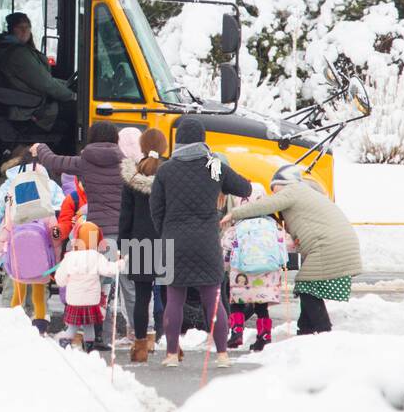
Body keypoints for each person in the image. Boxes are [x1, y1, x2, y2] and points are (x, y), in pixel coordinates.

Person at [149, 117, 252, 367]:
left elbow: (156, 209)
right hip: (206, 241)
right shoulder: (213, 165)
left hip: (174, 240)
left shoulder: (165, 170)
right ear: (203, 140)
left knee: (174, 299)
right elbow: (244, 189)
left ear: (178, 141)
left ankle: (172, 355)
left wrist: (166, 232)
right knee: (212, 299)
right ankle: (222, 355)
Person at [222, 164, 361, 336]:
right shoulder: (304, 193)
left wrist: (234, 214)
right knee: (309, 287)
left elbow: (265, 205)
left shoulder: (292, 190)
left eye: (274, 188)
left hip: (329, 245)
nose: (274, 192)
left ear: (283, 182)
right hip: (338, 243)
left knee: (306, 286)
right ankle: (306, 331)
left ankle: (324, 331)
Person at [32, 121, 126, 349]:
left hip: (94, 232)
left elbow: (55, 161)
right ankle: (100, 336)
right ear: (115, 139)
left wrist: (40, 148)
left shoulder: (85, 161)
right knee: (106, 287)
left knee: (91, 281)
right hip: (119, 232)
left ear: (91, 138)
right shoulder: (126, 163)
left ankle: (79, 331)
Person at [0, 147, 64, 331]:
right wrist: (55, 248)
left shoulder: (10, 184)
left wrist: (4, 237)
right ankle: (39, 328)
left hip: (14, 250)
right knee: (38, 293)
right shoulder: (49, 185)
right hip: (42, 253)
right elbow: (61, 216)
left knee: (14, 291)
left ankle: (10, 329)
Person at [119, 127, 169, 363]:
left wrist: (123, 244)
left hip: (139, 242)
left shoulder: (132, 177)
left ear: (141, 146)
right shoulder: (171, 175)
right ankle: (171, 346)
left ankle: (140, 346)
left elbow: (125, 216)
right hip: (166, 239)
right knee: (170, 296)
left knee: (142, 296)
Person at [221, 200, 289, 352]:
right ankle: (264, 335)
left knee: (237, 304)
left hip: (241, 272)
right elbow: (285, 245)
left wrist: (225, 267)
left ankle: (237, 332)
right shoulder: (273, 225)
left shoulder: (237, 227)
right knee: (261, 306)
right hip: (267, 273)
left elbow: (226, 247)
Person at [0, 12, 76, 132]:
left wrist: (65, 84)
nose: (25, 31)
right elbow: (45, 83)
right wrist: (72, 95)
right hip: (30, 110)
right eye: (20, 27)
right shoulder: (18, 54)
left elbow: (43, 79)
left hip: (25, 103)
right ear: (11, 30)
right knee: (78, 109)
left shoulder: (11, 48)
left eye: (27, 27)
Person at [54, 220, 124, 351]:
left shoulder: (70, 257)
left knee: (73, 326)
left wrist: (64, 281)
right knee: (89, 326)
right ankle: (90, 348)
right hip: (91, 301)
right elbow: (109, 270)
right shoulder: (96, 256)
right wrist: (119, 264)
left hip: (74, 301)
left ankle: (65, 343)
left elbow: (60, 279)